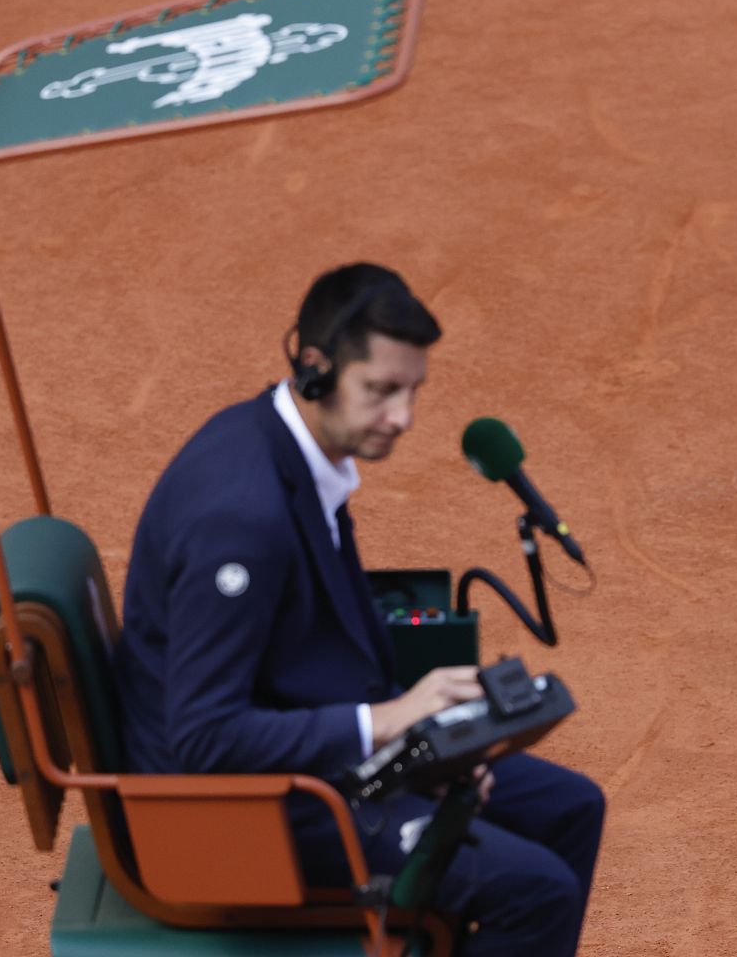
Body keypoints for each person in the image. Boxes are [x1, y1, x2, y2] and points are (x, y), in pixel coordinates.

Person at [112, 262, 605, 957]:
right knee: (534, 892)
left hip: (311, 750)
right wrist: (388, 722)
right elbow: (203, 739)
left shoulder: (288, 445)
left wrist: (429, 749)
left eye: (412, 391)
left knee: (571, 809)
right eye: (380, 391)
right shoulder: (243, 523)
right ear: (315, 368)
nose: (403, 418)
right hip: (246, 812)